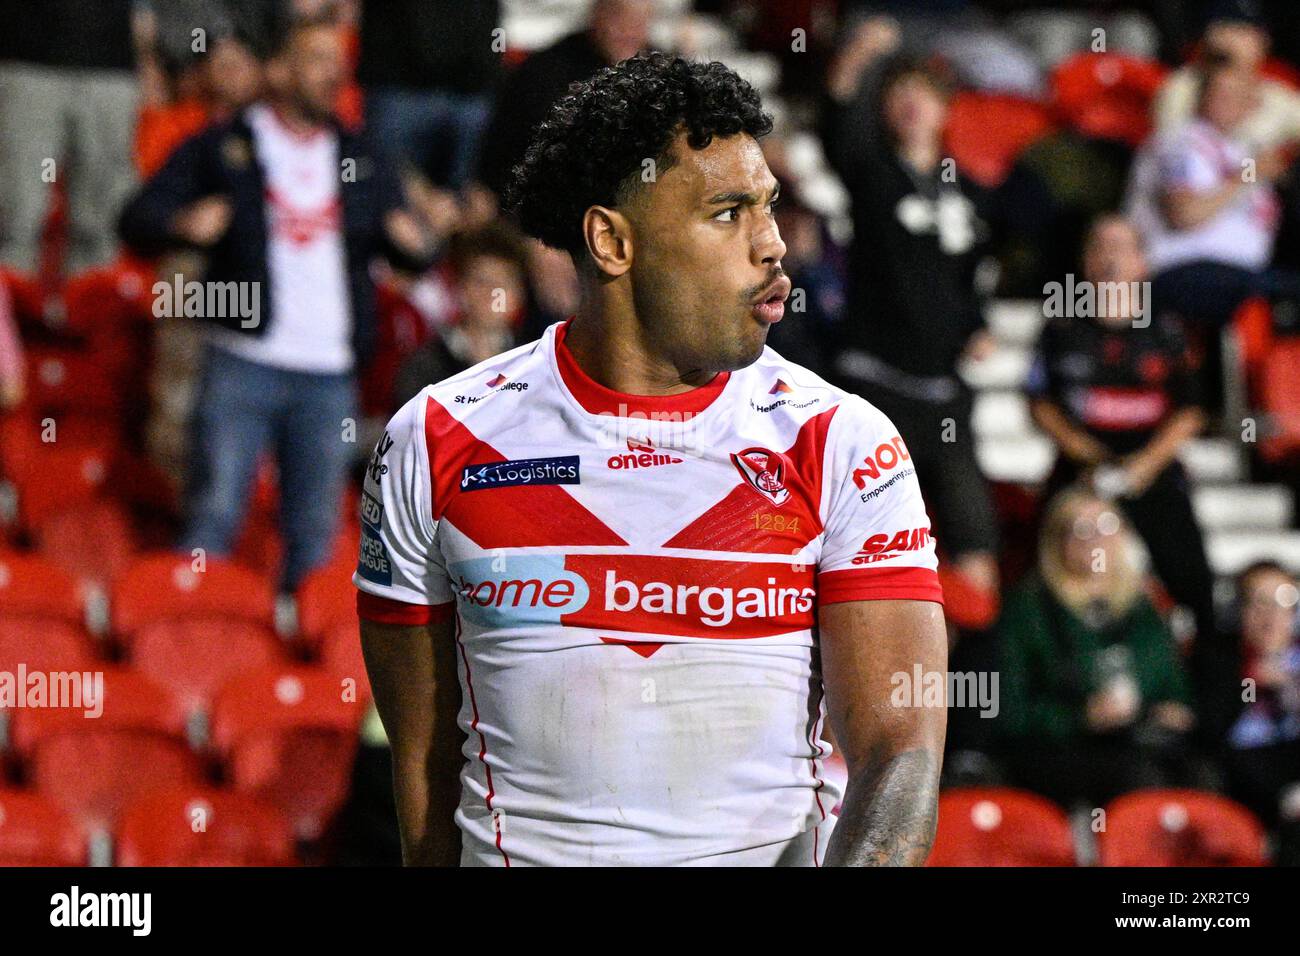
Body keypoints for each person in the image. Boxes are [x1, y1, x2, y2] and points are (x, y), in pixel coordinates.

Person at [356, 53, 947, 867]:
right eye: (727, 212)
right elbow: (424, 772)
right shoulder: (434, 437)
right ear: (611, 241)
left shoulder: (843, 442)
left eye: (769, 207)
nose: (772, 245)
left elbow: (899, 756)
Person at [119, 5, 434, 597]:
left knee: (316, 532)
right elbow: (137, 218)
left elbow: (409, 249)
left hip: (329, 374)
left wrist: (420, 243)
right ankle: (190, 629)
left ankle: (302, 658)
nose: (331, 76)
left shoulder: (361, 155)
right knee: (214, 512)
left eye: (338, 65)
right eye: (316, 62)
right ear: (281, 70)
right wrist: (185, 223)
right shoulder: (223, 145)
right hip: (242, 360)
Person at [1027, 214, 1226, 739]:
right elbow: (1039, 403)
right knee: (1038, 585)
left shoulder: (1169, 328)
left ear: (1143, 262)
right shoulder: (1061, 325)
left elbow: (1192, 411)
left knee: (1199, 592)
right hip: (1080, 472)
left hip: (1152, 473)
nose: (1111, 259)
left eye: (1123, 248)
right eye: (1100, 247)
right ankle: (1048, 716)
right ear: (1085, 263)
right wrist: (1087, 456)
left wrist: (1142, 467)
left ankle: (1202, 724)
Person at [821, 54, 1001, 618]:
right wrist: (848, 74)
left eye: (921, 93)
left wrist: (977, 328)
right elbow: (838, 141)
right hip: (875, 382)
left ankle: (971, 690)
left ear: (944, 109)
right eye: (897, 95)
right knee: (857, 530)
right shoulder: (871, 173)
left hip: (943, 390)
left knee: (975, 535)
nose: (910, 104)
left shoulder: (965, 191)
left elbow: (972, 281)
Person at [998, 488, 1197, 809]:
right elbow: (1009, 711)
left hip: (1138, 740)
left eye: (1106, 526)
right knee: (1138, 779)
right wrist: (1082, 717)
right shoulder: (1028, 609)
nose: (1095, 540)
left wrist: (1171, 710)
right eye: (1080, 530)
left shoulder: (1143, 607)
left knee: (1201, 773)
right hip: (1058, 751)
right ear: (1057, 541)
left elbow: (1175, 687)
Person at [0, 0, 140, 274]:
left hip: (110, 66)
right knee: (16, 217)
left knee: (103, 222)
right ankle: (5, 310)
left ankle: (91, 311)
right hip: (26, 63)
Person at [392, 224, 529, 409]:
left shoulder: (534, 363)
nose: (492, 294)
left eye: (503, 283)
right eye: (481, 282)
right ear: (461, 288)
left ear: (519, 293)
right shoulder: (425, 367)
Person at [1222, 561, 1300, 863]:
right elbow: (1212, 734)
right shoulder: (1219, 658)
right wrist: (1251, 681)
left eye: (1283, 603)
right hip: (1246, 770)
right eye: (1259, 603)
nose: (1271, 617)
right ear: (1239, 610)